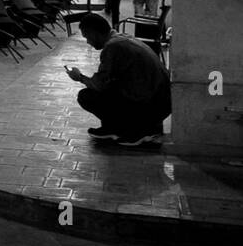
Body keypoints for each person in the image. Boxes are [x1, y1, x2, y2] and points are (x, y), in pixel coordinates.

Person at [65, 13, 171, 146]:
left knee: (87, 96)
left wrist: (79, 77)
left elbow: (100, 84)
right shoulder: (122, 38)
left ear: (94, 33)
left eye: (87, 37)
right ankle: (115, 128)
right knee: (111, 88)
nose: (88, 42)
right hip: (162, 101)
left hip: (151, 105)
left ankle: (137, 131)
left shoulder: (113, 47)